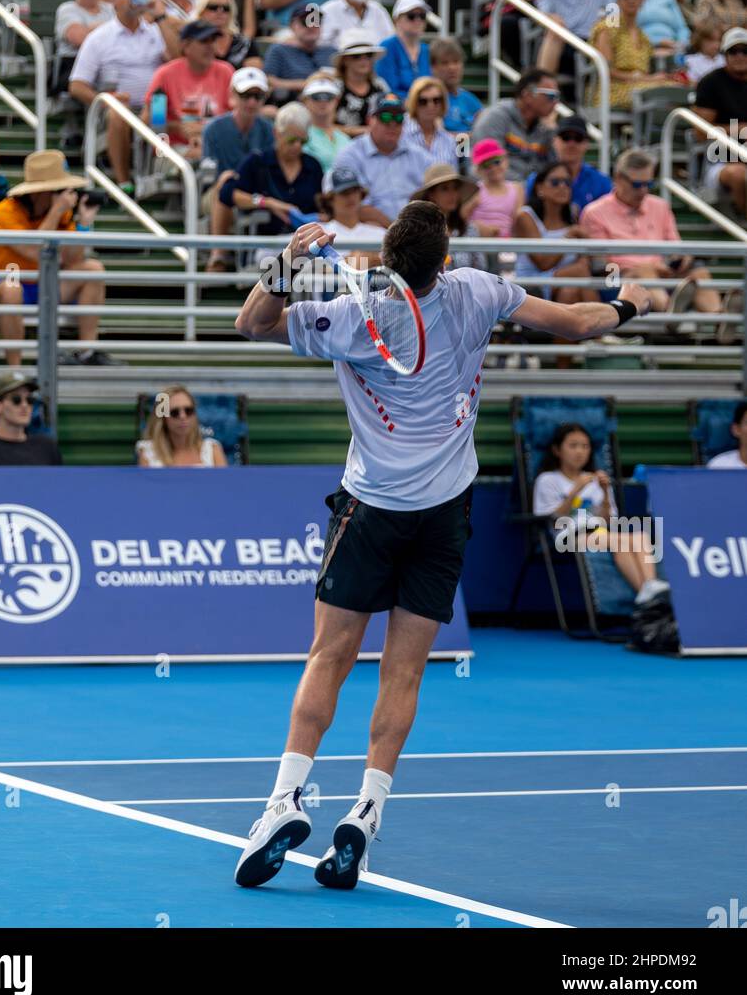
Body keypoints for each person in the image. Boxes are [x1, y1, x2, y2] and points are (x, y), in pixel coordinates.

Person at [232, 206, 651, 890]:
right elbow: (579, 323)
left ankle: (285, 799)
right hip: (444, 517)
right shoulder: (479, 290)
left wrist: (287, 264)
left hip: (369, 512)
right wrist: (631, 301)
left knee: (330, 656)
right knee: (404, 674)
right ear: (444, 256)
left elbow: (252, 323)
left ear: (389, 256)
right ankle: (365, 815)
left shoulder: (351, 316)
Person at [0, 150, 107, 365]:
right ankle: (16, 369)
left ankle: (87, 352)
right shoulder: (4, 212)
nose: (66, 195)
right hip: (3, 283)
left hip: (43, 284)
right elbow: (35, 250)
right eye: (60, 189)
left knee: (93, 269)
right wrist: (56, 212)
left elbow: (71, 260)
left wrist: (83, 224)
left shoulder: (61, 213)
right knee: (12, 289)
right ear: (42, 192)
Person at [580, 147, 722, 315]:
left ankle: (720, 318)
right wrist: (644, 268)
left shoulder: (660, 206)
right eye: (637, 184)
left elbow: (675, 249)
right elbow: (601, 265)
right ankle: (669, 315)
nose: (643, 191)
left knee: (699, 273)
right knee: (644, 270)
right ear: (618, 178)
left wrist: (681, 259)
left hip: (661, 274)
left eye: (649, 184)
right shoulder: (594, 212)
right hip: (616, 279)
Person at [534, 424, 664, 600]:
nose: (579, 452)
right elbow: (555, 518)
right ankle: (651, 587)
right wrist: (576, 489)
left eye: (585, 446)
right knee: (631, 539)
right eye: (573, 446)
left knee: (631, 542)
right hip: (568, 537)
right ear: (557, 450)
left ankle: (647, 594)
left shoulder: (596, 480)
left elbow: (608, 520)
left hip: (600, 533)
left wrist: (604, 492)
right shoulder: (547, 480)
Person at [68, 0, 169, 187]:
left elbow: (177, 59)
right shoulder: (99, 37)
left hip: (153, 103)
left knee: (162, 108)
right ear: (113, 0)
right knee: (118, 113)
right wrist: (107, 100)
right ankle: (124, 182)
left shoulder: (156, 32)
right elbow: (77, 85)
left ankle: (158, 177)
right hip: (117, 106)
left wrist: (160, 17)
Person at [202, 65, 273, 268]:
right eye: (246, 95)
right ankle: (218, 255)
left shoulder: (267, 129)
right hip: (218, 191)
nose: (251, 101)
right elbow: (210, 173)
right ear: (233, 95)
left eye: (257, 96)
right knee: (224, 190)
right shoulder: (214, 129)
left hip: (254, 191)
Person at [331, 92, 430, 223]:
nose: (392, 124)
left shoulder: (420, 156)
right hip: (369, 234)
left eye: (399, 118)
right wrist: (394, 230)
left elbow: (436, 197)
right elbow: (352, 205)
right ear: (369, 120)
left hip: (417, 231)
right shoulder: (350, 155)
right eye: (385, 117)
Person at [229, 101, 323, 235]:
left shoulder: (312, 165)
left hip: (306, 243)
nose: (297, 146)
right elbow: (232, 194)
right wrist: (267, 202)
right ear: (276, 133)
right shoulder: (257, 162)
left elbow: (322, 205)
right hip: (266, 243)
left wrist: (322, 216)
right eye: (291, 140)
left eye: (303, 141)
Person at [143, 20, 233, 157]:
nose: (210, 47)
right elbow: (154, 122)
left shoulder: (226, 71)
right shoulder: (165, 75)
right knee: (202, 155)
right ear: (185, 46)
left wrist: (206, 131)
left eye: (212, 41)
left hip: (217, 143)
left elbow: (236, 115)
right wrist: (178, 128)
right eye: (204, 41)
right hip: (174, 149)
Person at [514, 159, 592, 303]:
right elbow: (543, 263)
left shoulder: (573, 216)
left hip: (563, 286)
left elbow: (586, 262)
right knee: (578, 271)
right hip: (530, 287)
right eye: (555, 182)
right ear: (539, 189)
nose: (562, 187)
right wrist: (568, 238)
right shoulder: (526, 216)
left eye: (567, 183)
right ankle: (602, 320)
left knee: (570, 290)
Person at [588, 0, 668, 110]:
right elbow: (606, 71)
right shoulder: (607, 28)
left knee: (675, 89)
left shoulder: (644, 37)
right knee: (660, 91)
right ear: (618, 0)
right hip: (611, 89)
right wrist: (645, 79)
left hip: (639, 87)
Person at [693, 24, 747, 215]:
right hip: (720, 160)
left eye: (745, 51)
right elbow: (700, 132)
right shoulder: (711, 83)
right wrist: (740, 129)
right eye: (734, 51)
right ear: (724, 54)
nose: (740, 56)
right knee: (740, 174)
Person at [470, 68, 558, 180]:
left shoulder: (545, 127)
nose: (555, 102)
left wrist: (551, 133)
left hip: (531, 192)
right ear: (528, 94)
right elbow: (489, 166)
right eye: (550, 95)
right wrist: (527, 189)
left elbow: (556, 170)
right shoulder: (496, 117)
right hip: (496, 190)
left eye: (557, 96)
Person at [527, 115, 611, 213]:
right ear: (554, 141)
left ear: (587, 144)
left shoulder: (601, 182)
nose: (571, 144)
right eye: (565, 137)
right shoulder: (537, 180)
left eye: (578, 138)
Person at [410, 162, 486, 270]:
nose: (452, 194)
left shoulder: (469, 229)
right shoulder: (417, 231)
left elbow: (480, 269)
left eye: (455, 188)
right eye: (444, 189)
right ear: (431, 195)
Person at [53, 0, 112, 93]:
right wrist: (109, 30)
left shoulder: (111, 9)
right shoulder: (67, 9)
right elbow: (80, 38)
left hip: (109, 65)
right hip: (74, 66)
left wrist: (91, 29)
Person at [263, 1, 337, 103]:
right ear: (292, 26)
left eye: (317, 21)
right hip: (293, 103)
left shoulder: (331, 52)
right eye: (306, 21)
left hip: (329, 103)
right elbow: (268, 81)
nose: (312, 26)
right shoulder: (279, 50)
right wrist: (306, 84)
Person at [137, 387, 228, 467]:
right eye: (174, 412)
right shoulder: (148, 453)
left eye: (188, 411)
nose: (183, 416)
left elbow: (224, 485)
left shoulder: (212, 450)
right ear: (163, 418)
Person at [331, 30, 391, 134]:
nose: (364, 60)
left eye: (368, 55)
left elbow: (391, 114)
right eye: (357, 56)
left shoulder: (380, 85)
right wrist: (360, 131)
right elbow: (325, 126)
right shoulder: (335, 88)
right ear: (345, 60)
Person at [377, 0, 431, 100]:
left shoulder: (426, 50)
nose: (418, 20)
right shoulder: (387, 48)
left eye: (422, 16)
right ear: (397, 19)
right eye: (411, 16)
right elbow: (388, 89)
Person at [468, 137, 523, 236]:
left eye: (497, 162)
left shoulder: (516, 188)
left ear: (505, 161)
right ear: (478, 170)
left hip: (508, 245)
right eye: (486, 165)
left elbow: (519, 222)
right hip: (480, 243)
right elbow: (462, 220)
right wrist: (482, 228)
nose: (493, 168)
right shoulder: (475, 190)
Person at [190, 0, 254, 70]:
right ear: (201, 11)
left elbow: (253, 73)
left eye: (226, 8)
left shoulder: (244, 44)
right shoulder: (191, 42)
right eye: (213, 7)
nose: (220, 11)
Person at [428, 38, 482, 136]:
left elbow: (486, 130)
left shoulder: (470, 99)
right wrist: (472, 135)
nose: (452, 68)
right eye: (445, 63)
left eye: (456, 62)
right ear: (433, 68)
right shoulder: (428, 100)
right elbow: (437, 138)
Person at [298, 72, 350, 172]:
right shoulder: (300, 135)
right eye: (316, 96)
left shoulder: (344, 138)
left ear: (337, 100)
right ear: (305, 100)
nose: (323, 101)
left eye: (329, 96)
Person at [402, 75, 456, 166]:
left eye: (436, 100)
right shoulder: (400, 133)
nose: (430, 106)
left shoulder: (449, 141)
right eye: (423, 101)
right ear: (414, 103)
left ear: (442, 103)